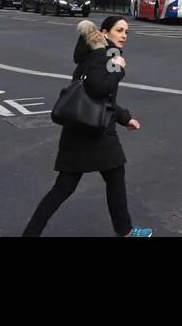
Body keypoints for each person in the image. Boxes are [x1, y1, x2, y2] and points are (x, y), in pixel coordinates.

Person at [22, 16, 151, 237]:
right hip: (97, 132)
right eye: (119, 30)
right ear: (104, 33)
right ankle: (126, 231)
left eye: (127, 32)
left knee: (64, 187)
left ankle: (30, 234)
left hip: (79, 129)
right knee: (111, 177)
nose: (124, 36)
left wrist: (124, 118)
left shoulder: (92, 54)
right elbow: (99, 89)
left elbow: (102, 98)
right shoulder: (106, 55)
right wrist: (119, 70)